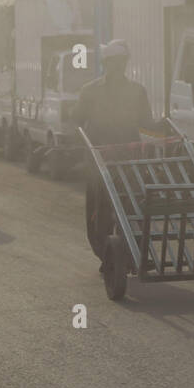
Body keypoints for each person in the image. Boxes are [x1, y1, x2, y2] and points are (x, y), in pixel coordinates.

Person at [76, 40, 155, 271]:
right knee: (100, 211)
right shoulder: (89, 91)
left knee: (132, 207)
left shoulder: (137, 91)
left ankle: (131, 253)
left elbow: (145, 122)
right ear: (105, 63)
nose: (118, 67)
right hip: (98, 162)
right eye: (113, 62)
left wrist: (164, 126)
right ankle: (106, 255)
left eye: (121, 62)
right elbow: (77, 123)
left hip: (129, 159)